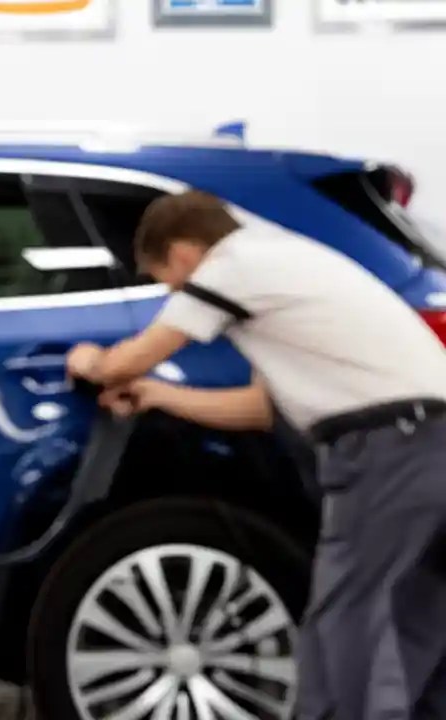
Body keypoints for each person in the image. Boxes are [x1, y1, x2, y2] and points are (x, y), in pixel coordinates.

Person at [67, 189, 446, 719]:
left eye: (163, 281)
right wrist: (158, 395)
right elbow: (263, 409)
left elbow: (129, 360)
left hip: (388, 448)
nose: (171, 291)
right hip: (428, 442)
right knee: (417, 622)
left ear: (181, 254)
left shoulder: (230, 268)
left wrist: (92, 362)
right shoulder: (286, 263)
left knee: (346, 620)